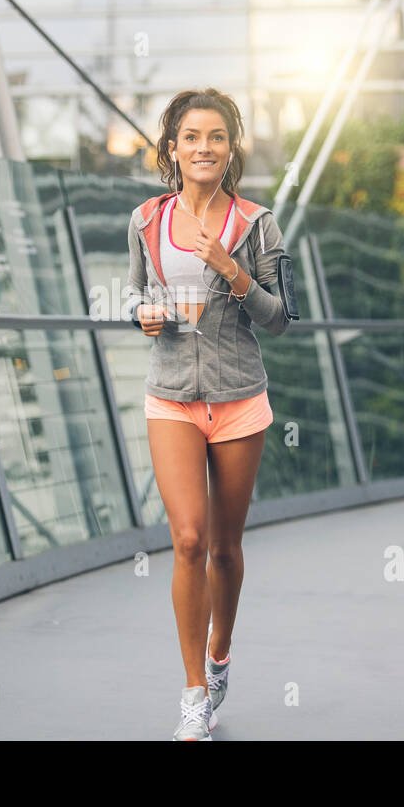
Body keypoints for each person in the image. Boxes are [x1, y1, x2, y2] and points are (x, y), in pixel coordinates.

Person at [123, 87, 292, 740]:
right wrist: (142, 313)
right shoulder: (144, 221)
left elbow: (282, 319)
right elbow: (136, 296)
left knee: (225, 547)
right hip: (170, 396)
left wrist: (232, 269)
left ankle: (221, 654)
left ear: (230, 148)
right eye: (191, 137)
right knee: (188, 539)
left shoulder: (256, 223)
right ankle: (195, 691)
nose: (203, 148)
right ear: (172, 149)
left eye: (216, 137)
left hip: (240, 399)